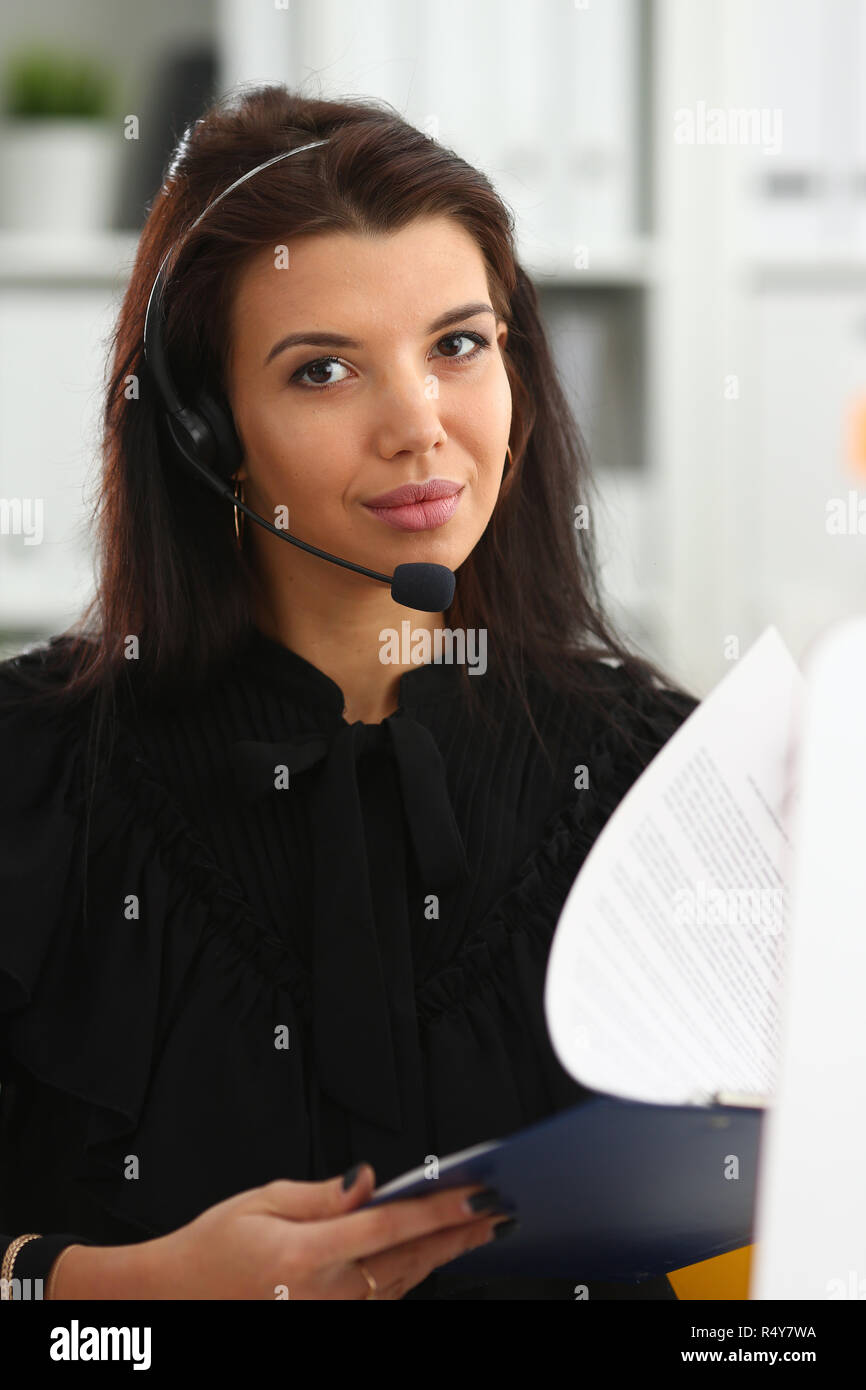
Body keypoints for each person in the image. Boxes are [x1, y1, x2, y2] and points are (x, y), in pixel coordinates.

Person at [0, 84, 698, 1301]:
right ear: (206, 434)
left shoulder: (667, 777)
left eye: (456, 345)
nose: (419, 427)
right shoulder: (28, 779)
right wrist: (119, 1297)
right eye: (323, 370)